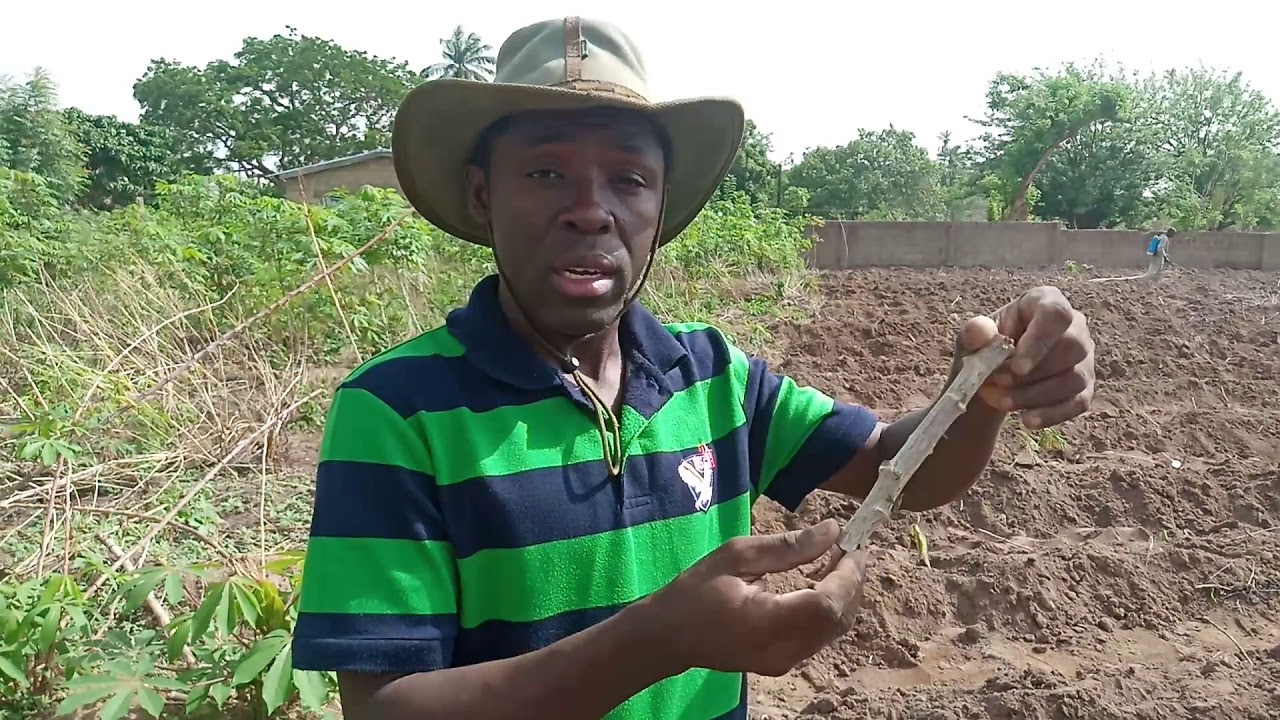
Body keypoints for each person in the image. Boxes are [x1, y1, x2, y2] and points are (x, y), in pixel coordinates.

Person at [291, 17, 1097, 720]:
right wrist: (655, 643)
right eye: (545, 173)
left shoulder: (714, 375)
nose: (590, 207)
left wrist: (978, 394)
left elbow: (898, 468)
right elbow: (388, 707)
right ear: (480, 195)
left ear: (660, 208)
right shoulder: (396, 411)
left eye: (629, 179)